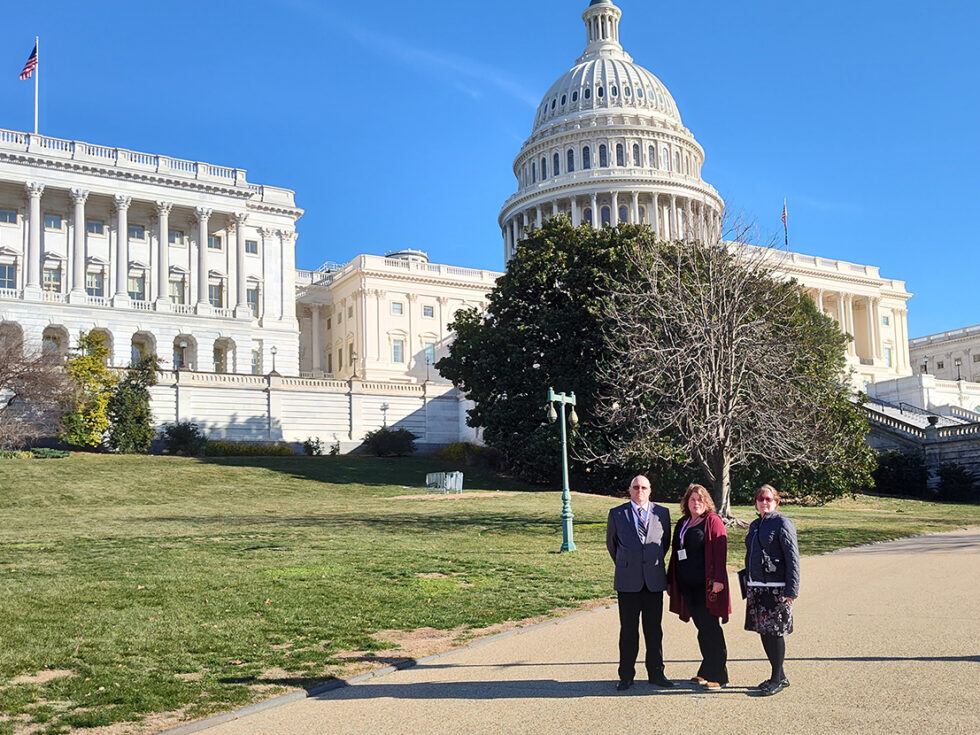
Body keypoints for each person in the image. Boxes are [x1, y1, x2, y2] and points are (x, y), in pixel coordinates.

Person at [606, 474, 673, 691]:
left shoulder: (662, 513)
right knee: (628, 631)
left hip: (653, 581)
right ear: (630, 489)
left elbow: (665, 544)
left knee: (654, 630)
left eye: (644, 487)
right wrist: (629, 563)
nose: (640, 491)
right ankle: (626, 675)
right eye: (636, 487)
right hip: (628, 582)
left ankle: (656, 673)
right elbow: (612, 545)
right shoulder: (617, 513)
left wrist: (648, 564)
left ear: (650, 490)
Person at [666, 483, 730, 689]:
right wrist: (670, 580)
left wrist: (719, 579)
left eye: (700, 499)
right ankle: (706, 669)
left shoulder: (713, 522)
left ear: (707, 502)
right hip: (687, 587)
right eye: (692, 499)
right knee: (702, 628)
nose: (696, 503)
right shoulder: (683, 523)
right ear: (687, 502)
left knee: (711, 628)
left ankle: (720, 675)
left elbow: (720, 553)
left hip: (708, 587)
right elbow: (675, 553)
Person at [744, 484, 800, 696]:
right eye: (760, 499)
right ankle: (780, 675)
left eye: (768, 499)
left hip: (777, 588)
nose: (764, 502)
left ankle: (776, 678)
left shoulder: (783, 523)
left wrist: (791, 590)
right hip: (757, 586)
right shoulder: (755, 525)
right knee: (764, 632)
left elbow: (792, 558)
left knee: (775, 632)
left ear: (776, 501)